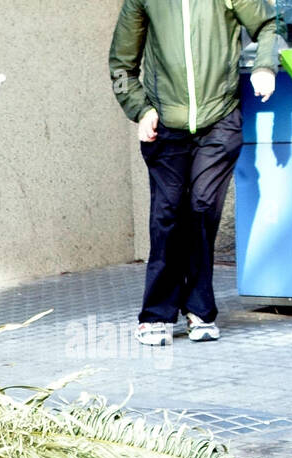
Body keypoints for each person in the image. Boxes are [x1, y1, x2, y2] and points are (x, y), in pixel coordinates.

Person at [109, 0, 280, 345]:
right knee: (167, 213)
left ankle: (199, 309)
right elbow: (121, 65)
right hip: (164, 125)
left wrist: (264, 66)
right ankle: (157, 313)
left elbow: (266, 25)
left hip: (220, 119)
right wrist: (140, 110)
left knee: (202, 207)